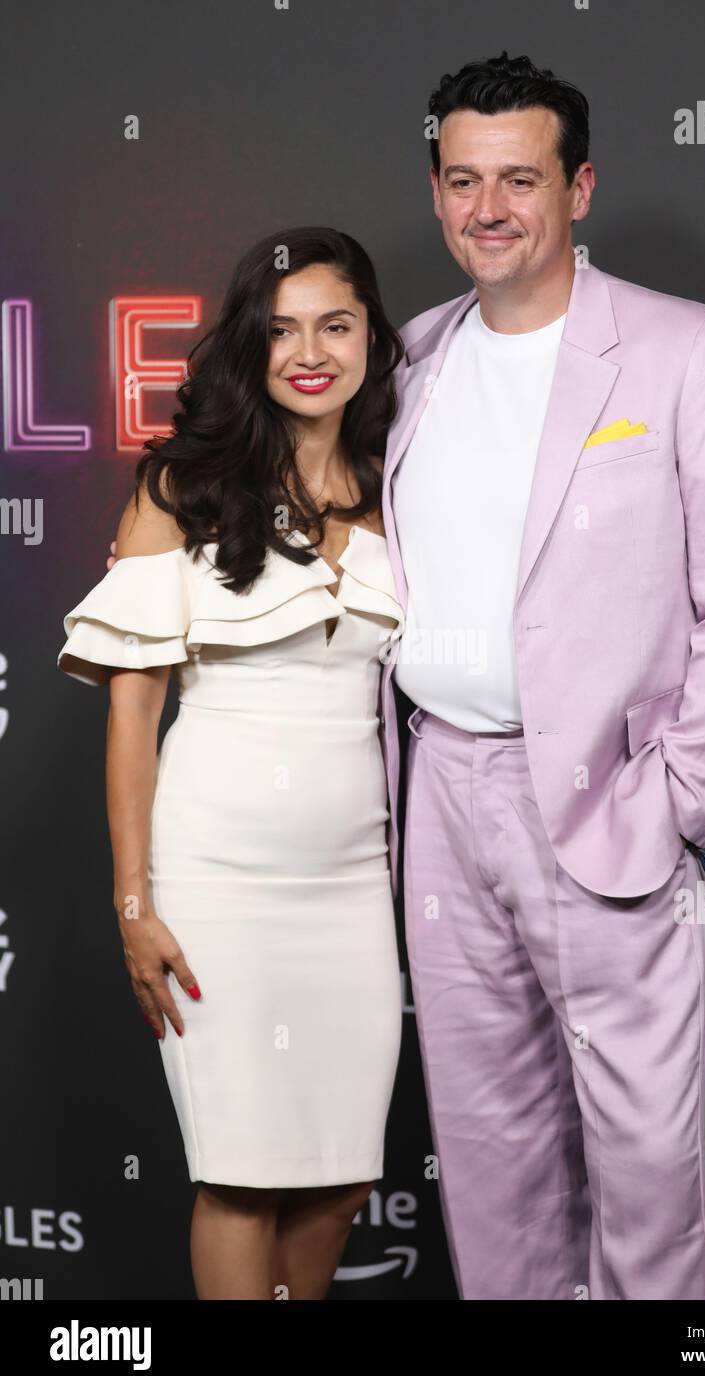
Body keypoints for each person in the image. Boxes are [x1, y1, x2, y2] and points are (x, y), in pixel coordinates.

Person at [376, 52, 705, 1300]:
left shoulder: (680, 349)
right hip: (445, 798)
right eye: (461, 181)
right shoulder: (408, 360)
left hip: (609, 804)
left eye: (519, 179)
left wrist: (679, 805)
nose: (487, 208)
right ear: (437, 191)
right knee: (489, 1163)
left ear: (580, 187)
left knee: (646, 1182)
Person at [58, 227, 406, 1300]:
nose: (310, 351)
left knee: (340, 1178)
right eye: (282, 328)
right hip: (218, 887)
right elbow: (134, 710)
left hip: (354, 888)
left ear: (368, 340)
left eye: (335, 325)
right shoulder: (182, 487)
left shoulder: (398, 485)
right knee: (243, 1180)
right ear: (249, 348)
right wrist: (134, 902)